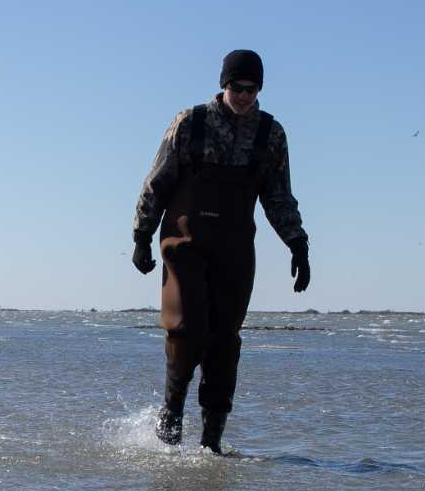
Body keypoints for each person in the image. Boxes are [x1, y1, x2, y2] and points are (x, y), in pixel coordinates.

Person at [131, 49, 310, 452]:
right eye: (236, 88)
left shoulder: (270, 134)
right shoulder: (190, 124)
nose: (244, 96)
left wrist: (298, 244)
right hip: (184, 245)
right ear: (223, 85)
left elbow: (279, 197)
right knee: (188, 330)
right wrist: (141, 236)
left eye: (252, 89)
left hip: (234, 250)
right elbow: (157, 182)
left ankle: (211, 445)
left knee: (225, 343)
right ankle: (171, 415)